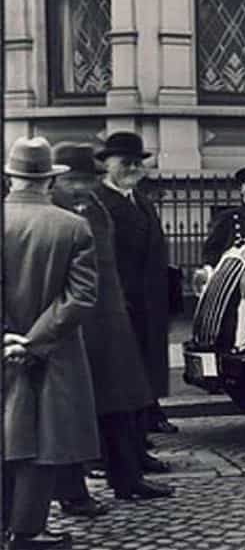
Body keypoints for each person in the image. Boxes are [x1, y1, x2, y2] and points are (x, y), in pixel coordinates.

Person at [50, 143, 174, 509]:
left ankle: (128, 477)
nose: (87, 185)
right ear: (60, 179)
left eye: (90, 178)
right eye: (80, 179)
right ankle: (81, 491)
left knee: (122, 403)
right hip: (83, 323)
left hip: (111, 318)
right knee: (78, 411)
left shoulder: (93, 206)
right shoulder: (63, 212)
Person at [2, 137, 100, 549]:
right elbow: (80, 297)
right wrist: (34, 340)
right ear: (47, 180)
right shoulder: (72, 226)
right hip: (54, 351)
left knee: (8, 437)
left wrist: (7, 337)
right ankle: (27, 530)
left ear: (12, 177)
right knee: (45, 441)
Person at [94, 131, 178, 435]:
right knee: (122, 377)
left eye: (137, 162)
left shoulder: (142, 202)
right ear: (107, 165)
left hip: (149, 302)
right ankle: (131, 441)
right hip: (120, 303)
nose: (132, 168)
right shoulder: (99, 203)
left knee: (146, 366)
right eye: (124, 162)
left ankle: (145, 426)